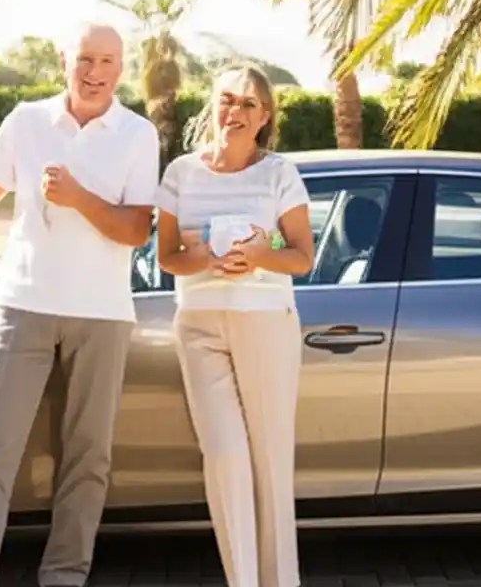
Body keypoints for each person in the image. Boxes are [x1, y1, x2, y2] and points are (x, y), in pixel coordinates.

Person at [0, 23, 160, 587]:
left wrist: (78, 197)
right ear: (64, 60)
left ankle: (64, 575)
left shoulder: (138, 135)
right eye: (85, 59)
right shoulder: (26, 121)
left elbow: (136, 230)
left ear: (121, 68)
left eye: (108, 61)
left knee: (88, 456)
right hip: (22, 305)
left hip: (102, 315)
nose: (95, 72)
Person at [154, 64, 315, 587]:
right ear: (212, 105)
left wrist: (259, 254)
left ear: (264, 116)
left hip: (265, 322)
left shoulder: (279, 174)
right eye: (227, 99)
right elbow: (167, 257)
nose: (235, 112)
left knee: (270, 461)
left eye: (248, 103)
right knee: (224, 458)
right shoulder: (181, 172)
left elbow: (301, 256)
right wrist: (203, 256)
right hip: (198, 325)